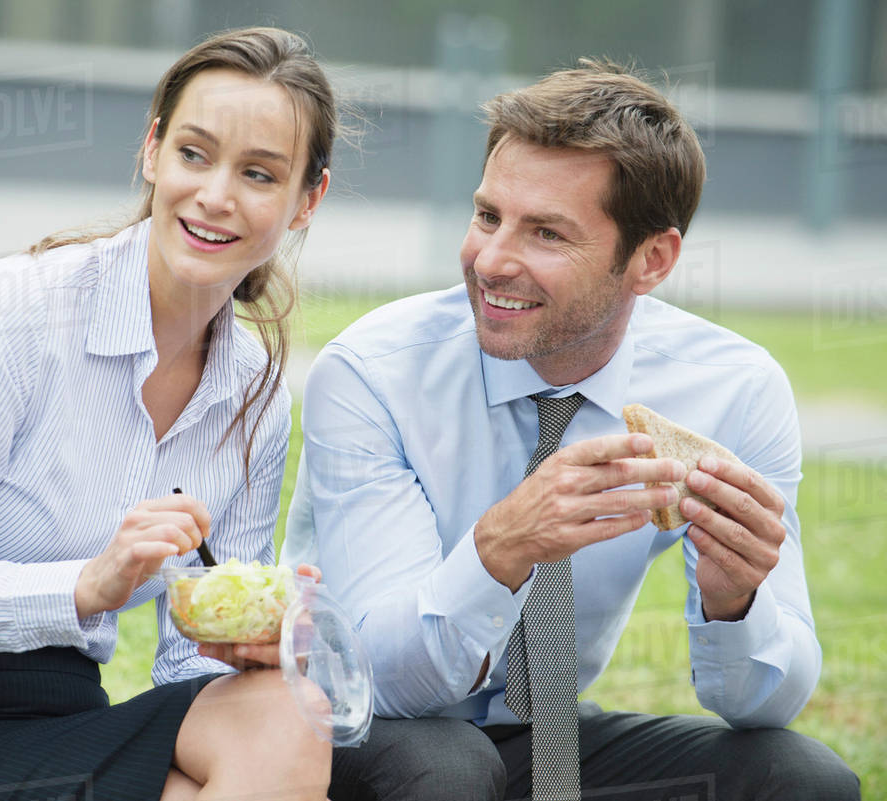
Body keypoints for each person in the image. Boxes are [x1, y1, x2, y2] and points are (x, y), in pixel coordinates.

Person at [0, 27, 337, 801]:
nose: (215, 195)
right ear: (152, 151)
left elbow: (188, 662)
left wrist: (249, 642)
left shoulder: (256, 395)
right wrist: (85, 585)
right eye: (194, 154)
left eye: (259, 173)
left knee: (286, 712)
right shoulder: (11, 314)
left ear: (308, 199)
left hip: (57, 715)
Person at [284, 59, 860, 801]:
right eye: (488, 215)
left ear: (651, 259)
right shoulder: (374, 373)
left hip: (549, 743)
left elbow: (766, 704)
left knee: (803, 778)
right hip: (363, 727)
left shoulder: (734, 390)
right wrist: (502, 546)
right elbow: (387, 679)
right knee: (450, 767)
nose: (491, 260)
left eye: (546, 233)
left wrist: (736, 602)